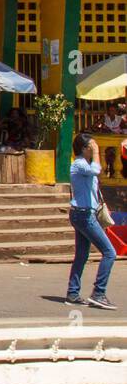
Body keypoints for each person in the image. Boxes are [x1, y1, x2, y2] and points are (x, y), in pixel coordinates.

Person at [66, 132, 116, 309]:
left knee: (81, 255)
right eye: (92, 147)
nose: (95, 149)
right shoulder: (79, 164)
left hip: (86, 213)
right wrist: (96, 152)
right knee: (110, 252)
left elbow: (94, 187)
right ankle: (99, 293)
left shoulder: (85, 165)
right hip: (83, 215)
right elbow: (96, 170)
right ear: (84, 149)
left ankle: (73, 292)